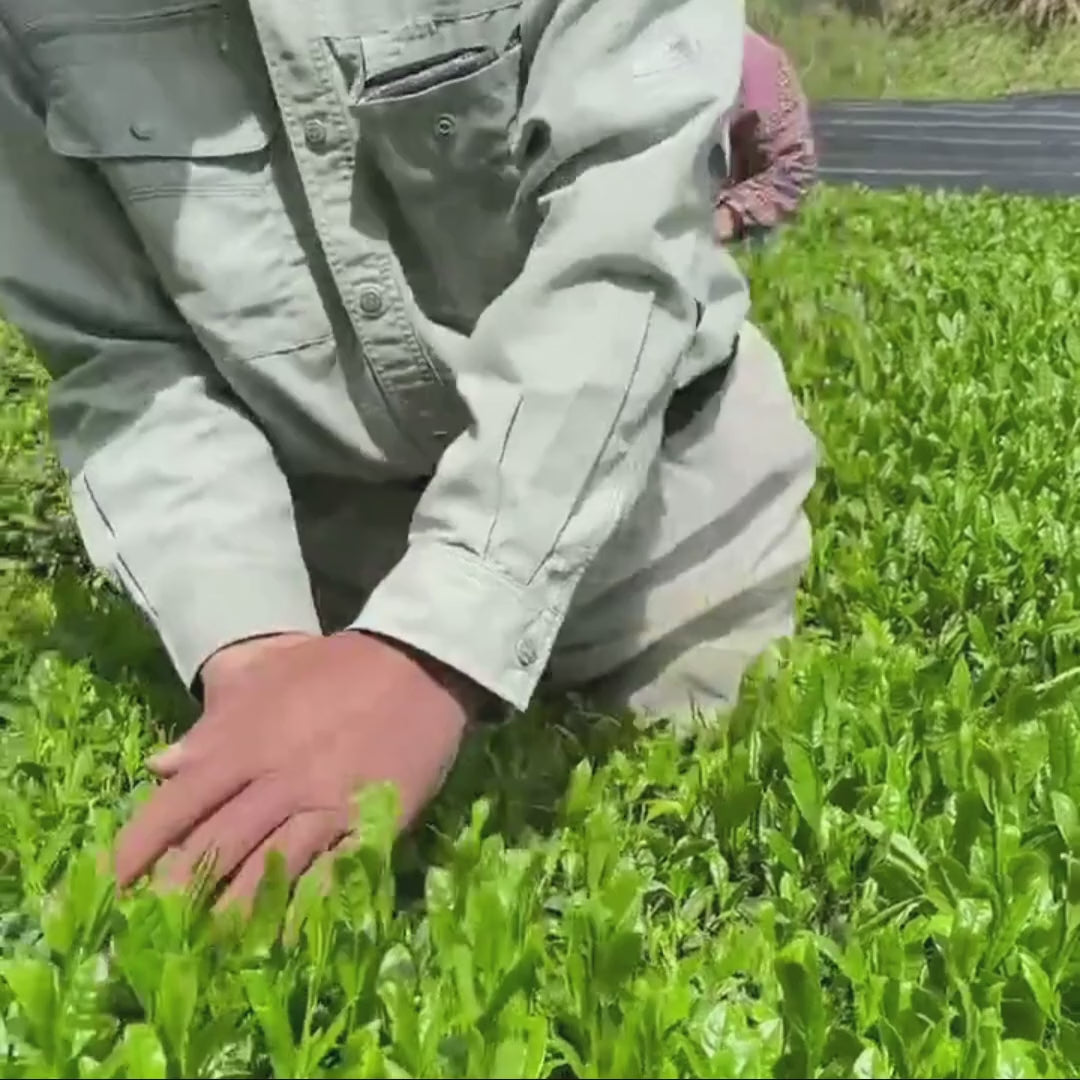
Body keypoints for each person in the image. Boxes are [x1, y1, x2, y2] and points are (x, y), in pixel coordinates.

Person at [0, 0, 816, 908]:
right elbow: (124, 357)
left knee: (710, 886)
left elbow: (619, 254)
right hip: (324, 594)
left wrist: (432, 647)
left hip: (664, 550)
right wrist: (258, 655)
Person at [715, 28, 817, 244]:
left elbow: (792, 168)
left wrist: (727, 217)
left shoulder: (755, 62)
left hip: (725, 245)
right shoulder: (635, 53)